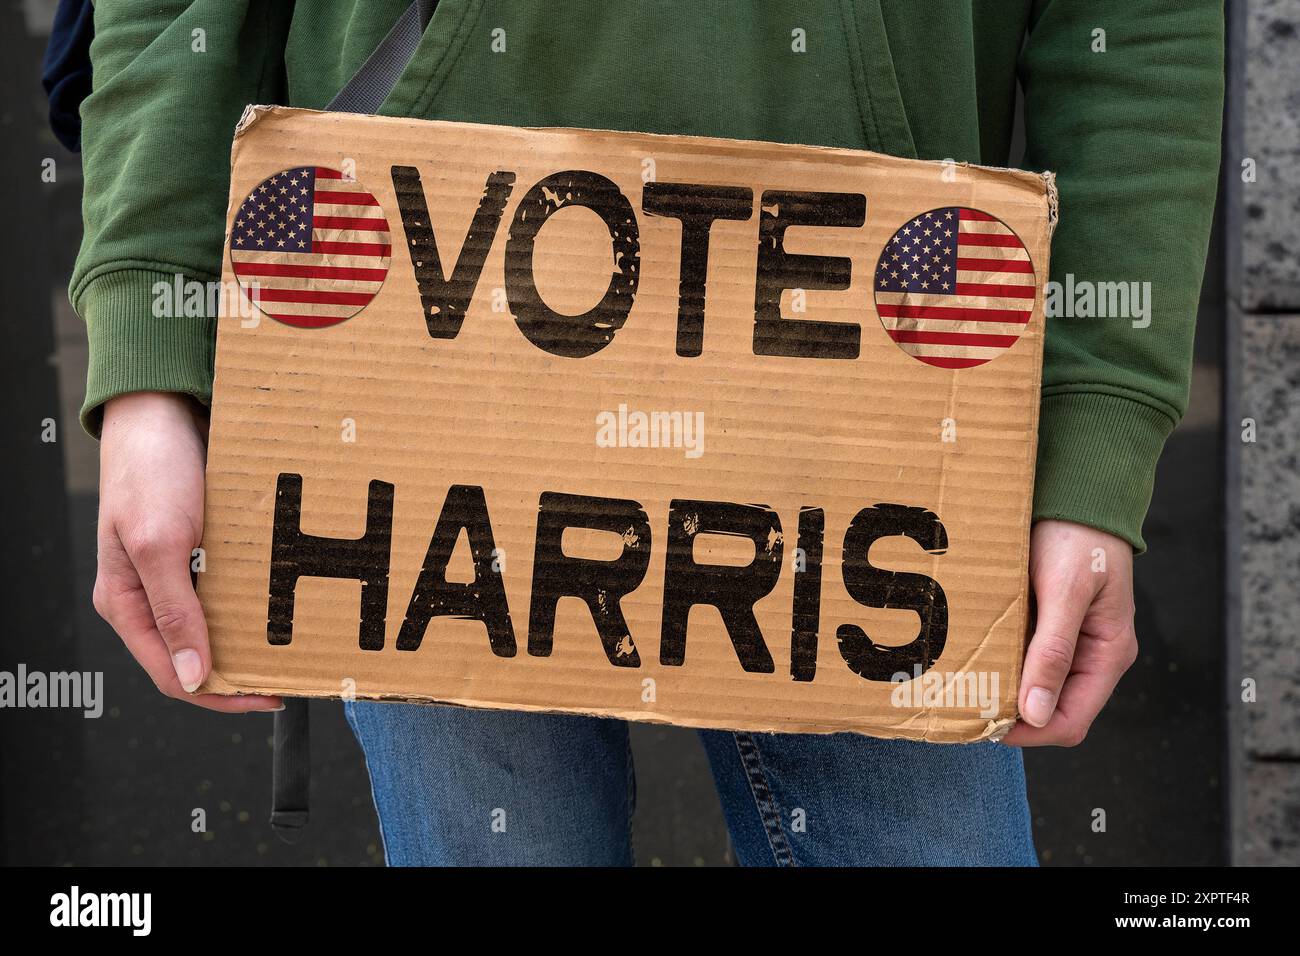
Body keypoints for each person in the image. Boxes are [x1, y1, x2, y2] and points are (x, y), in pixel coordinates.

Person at [75, 0, 1223, 866]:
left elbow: (1135, 28)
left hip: (869, 365)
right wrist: (146, 362)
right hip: (428, 339)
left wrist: (1095, 430)